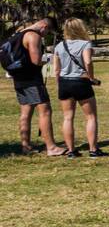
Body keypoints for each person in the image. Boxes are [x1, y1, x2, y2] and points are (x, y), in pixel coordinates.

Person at [4, 18, 64, 157]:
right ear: (44, 26)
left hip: (19, 79)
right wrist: (48, 60)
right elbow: (36, 60)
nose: (45, 35)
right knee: (45, 111)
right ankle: (51, 147)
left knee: (26, 112)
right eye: (47, 32)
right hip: (32, 80)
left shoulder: (19, 33)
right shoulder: (33, 35)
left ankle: (25, 146)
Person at [51, 17, 103, 158]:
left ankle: (71, 151)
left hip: (64, 82)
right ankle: (93, 150)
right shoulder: (85, 44)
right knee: (90, 117)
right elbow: (88, 61)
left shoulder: (59, 46)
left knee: (68, 117)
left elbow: (56, 69)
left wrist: (59, 83)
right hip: (80, 81)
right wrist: (91, 77)